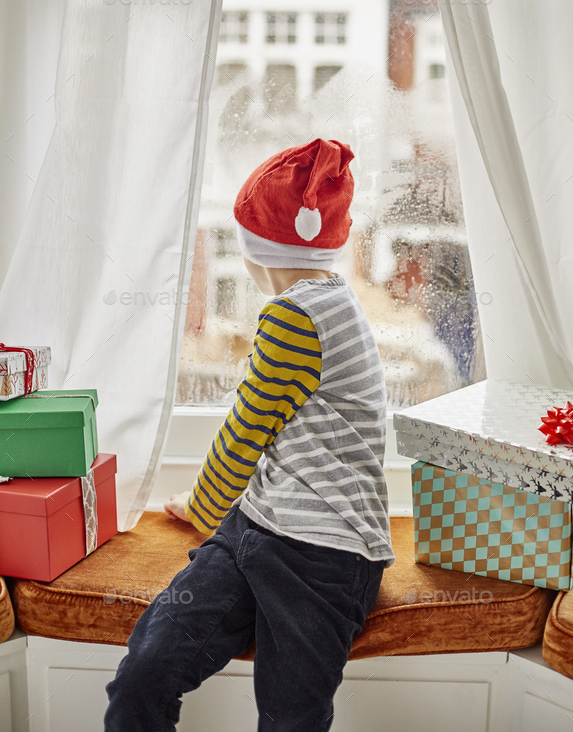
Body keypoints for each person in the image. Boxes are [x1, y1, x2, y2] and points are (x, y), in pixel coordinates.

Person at [104, 137, 395, 732]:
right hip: (256, 528)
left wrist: (206, 505)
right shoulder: (327, 301)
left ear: (256, 249)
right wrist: (213, 512)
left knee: (288, 719)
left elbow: (244, 435)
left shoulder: (296, 316)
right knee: (147, 668)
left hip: (324, 554)